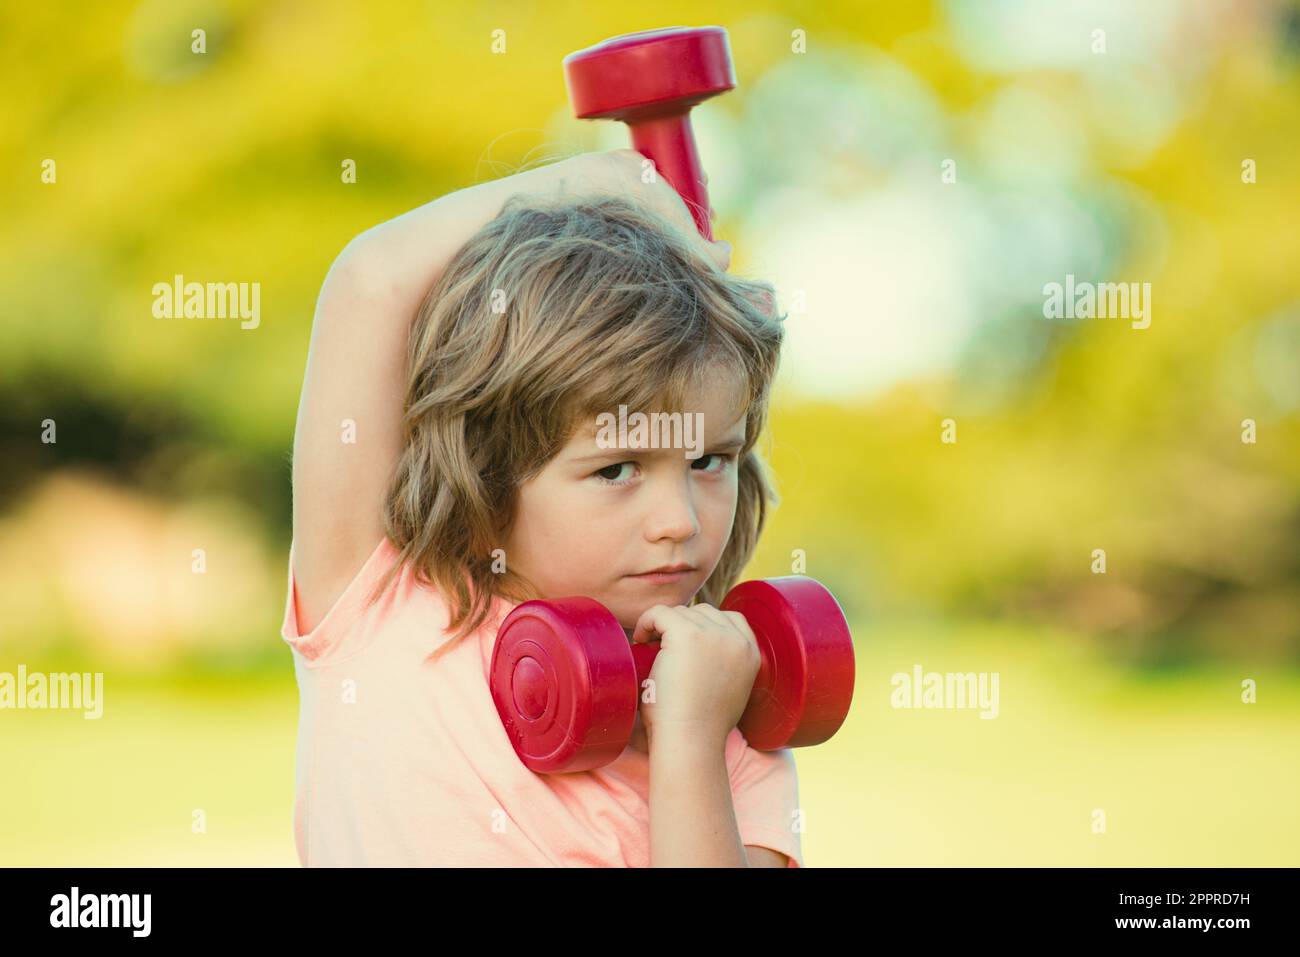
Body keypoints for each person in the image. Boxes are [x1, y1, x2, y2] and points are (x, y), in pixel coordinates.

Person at [282, 149, 800, 866]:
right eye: (618, 468)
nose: (679, 519)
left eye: (710, 460)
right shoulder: (379, 605)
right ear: (489, 477)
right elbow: (370, 282)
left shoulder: (733, 725)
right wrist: (617, 181)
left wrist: (688, 741)